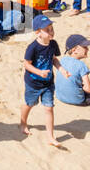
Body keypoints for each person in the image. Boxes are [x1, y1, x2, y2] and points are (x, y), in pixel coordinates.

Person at [21, 15, 62, 147]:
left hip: (48, 83)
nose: (51, 32)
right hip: (33, 83)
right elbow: (27, 64)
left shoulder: (53, 44)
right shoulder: (32, 47)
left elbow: (54, 59)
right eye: (47, 30)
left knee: (49, 108)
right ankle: (23, 123)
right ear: (38, 32)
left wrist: (61, 69)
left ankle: (50, 136)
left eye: (52, 28)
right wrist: (39, 72)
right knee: (30, 104)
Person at [56, 34, 90, 106]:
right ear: (74, 50)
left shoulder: (62, 60)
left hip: (60, 97)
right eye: (85, 47)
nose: (88, 49)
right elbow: (88, 90)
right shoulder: (81, 65)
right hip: (78, 101)